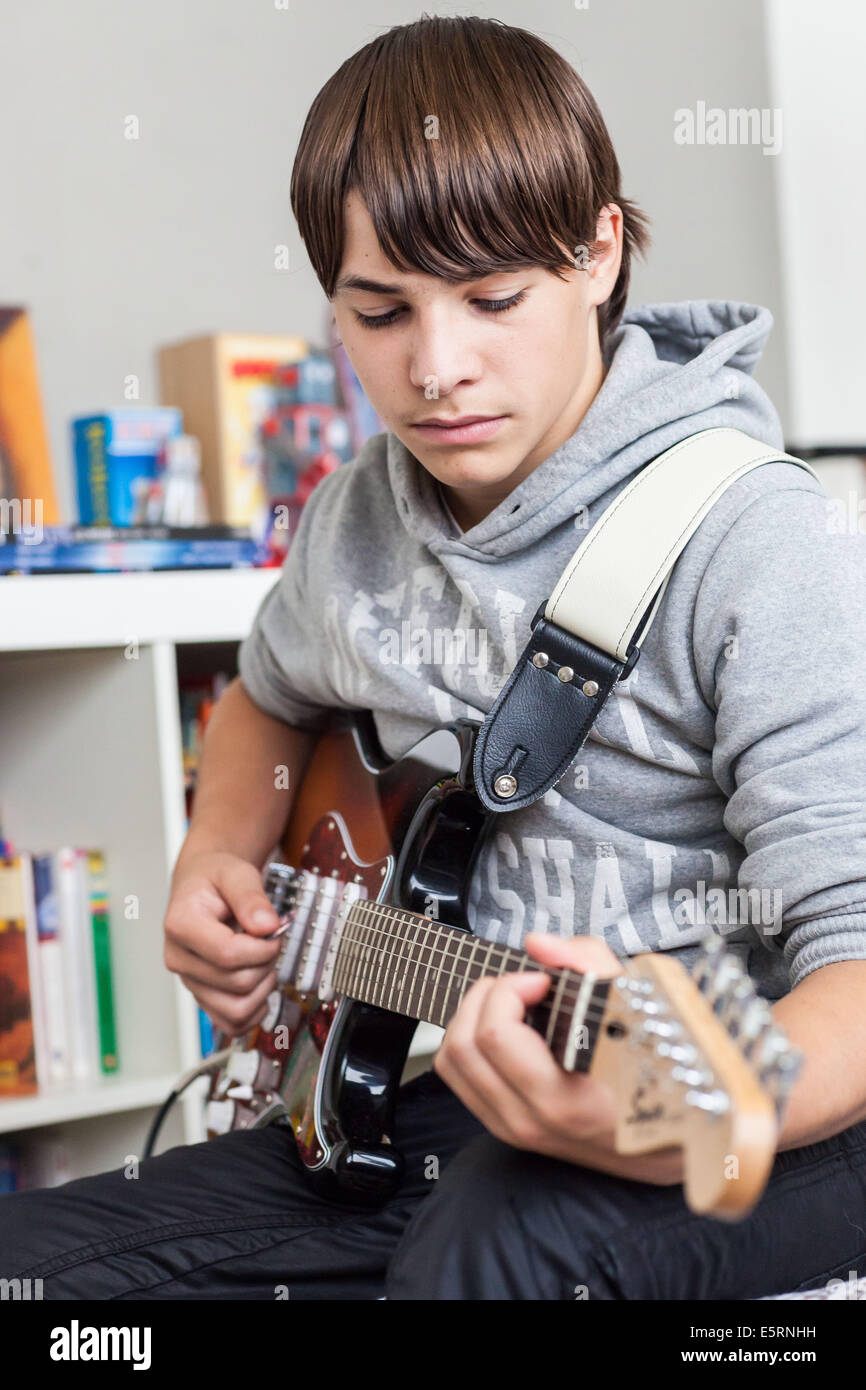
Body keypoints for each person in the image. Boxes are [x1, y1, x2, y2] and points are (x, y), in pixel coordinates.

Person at [3, 14, 866, 1301]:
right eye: (380, 311)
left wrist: (657, 1113)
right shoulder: (356, 512)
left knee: (487, 1261)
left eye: (492, 298)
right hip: (445, 1087)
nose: (437, 369)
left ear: (597, 251)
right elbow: (262, 700)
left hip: (772, 1111)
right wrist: (215, 858)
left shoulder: (764, 545)